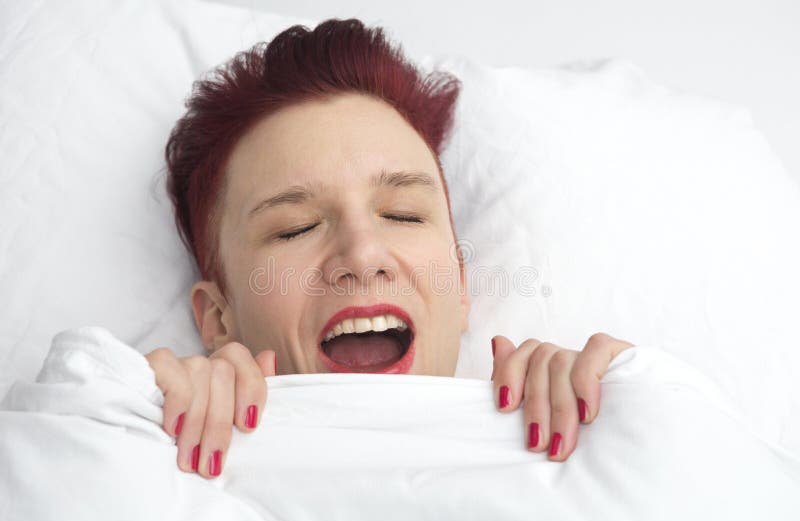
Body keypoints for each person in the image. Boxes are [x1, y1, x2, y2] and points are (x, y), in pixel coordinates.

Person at [145, 18, 634, 479]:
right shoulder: (149, 451)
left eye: (403, 215)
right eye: (297, 228)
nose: (363, 256)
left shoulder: (595, 445)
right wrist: (134, 418)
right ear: (218, 320)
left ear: (459, 287)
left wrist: (633, 411)